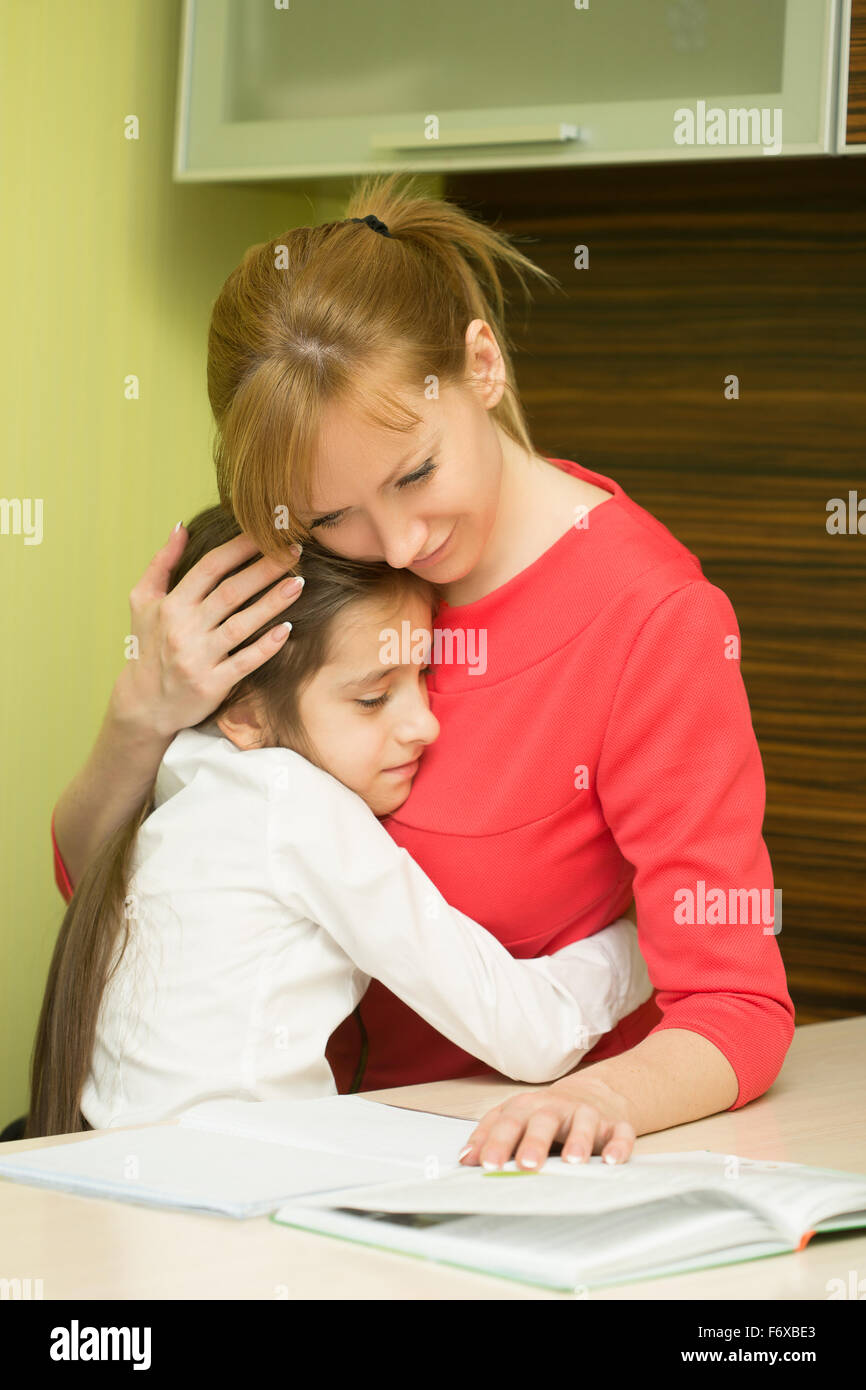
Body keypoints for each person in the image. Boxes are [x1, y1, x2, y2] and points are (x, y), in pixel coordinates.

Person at [51, 173, 794, 1170]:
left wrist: (591, 1099)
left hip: (510, 1162)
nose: (396, 542)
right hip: (304, 1162)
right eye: (331, 513)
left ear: (479, 364)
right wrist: (138, 721)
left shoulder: (647, 619)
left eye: (415, 475)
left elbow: (735, 1002)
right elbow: (118, 888)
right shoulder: (306, 568)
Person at [29, 506, 650, 1138]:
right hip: (224, 1191)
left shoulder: (186, 777)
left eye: (427, 675)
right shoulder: (293, 803)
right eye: (373, 698)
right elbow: (530, 1035)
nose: (425, 724)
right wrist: (640, 945)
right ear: (244, 714)